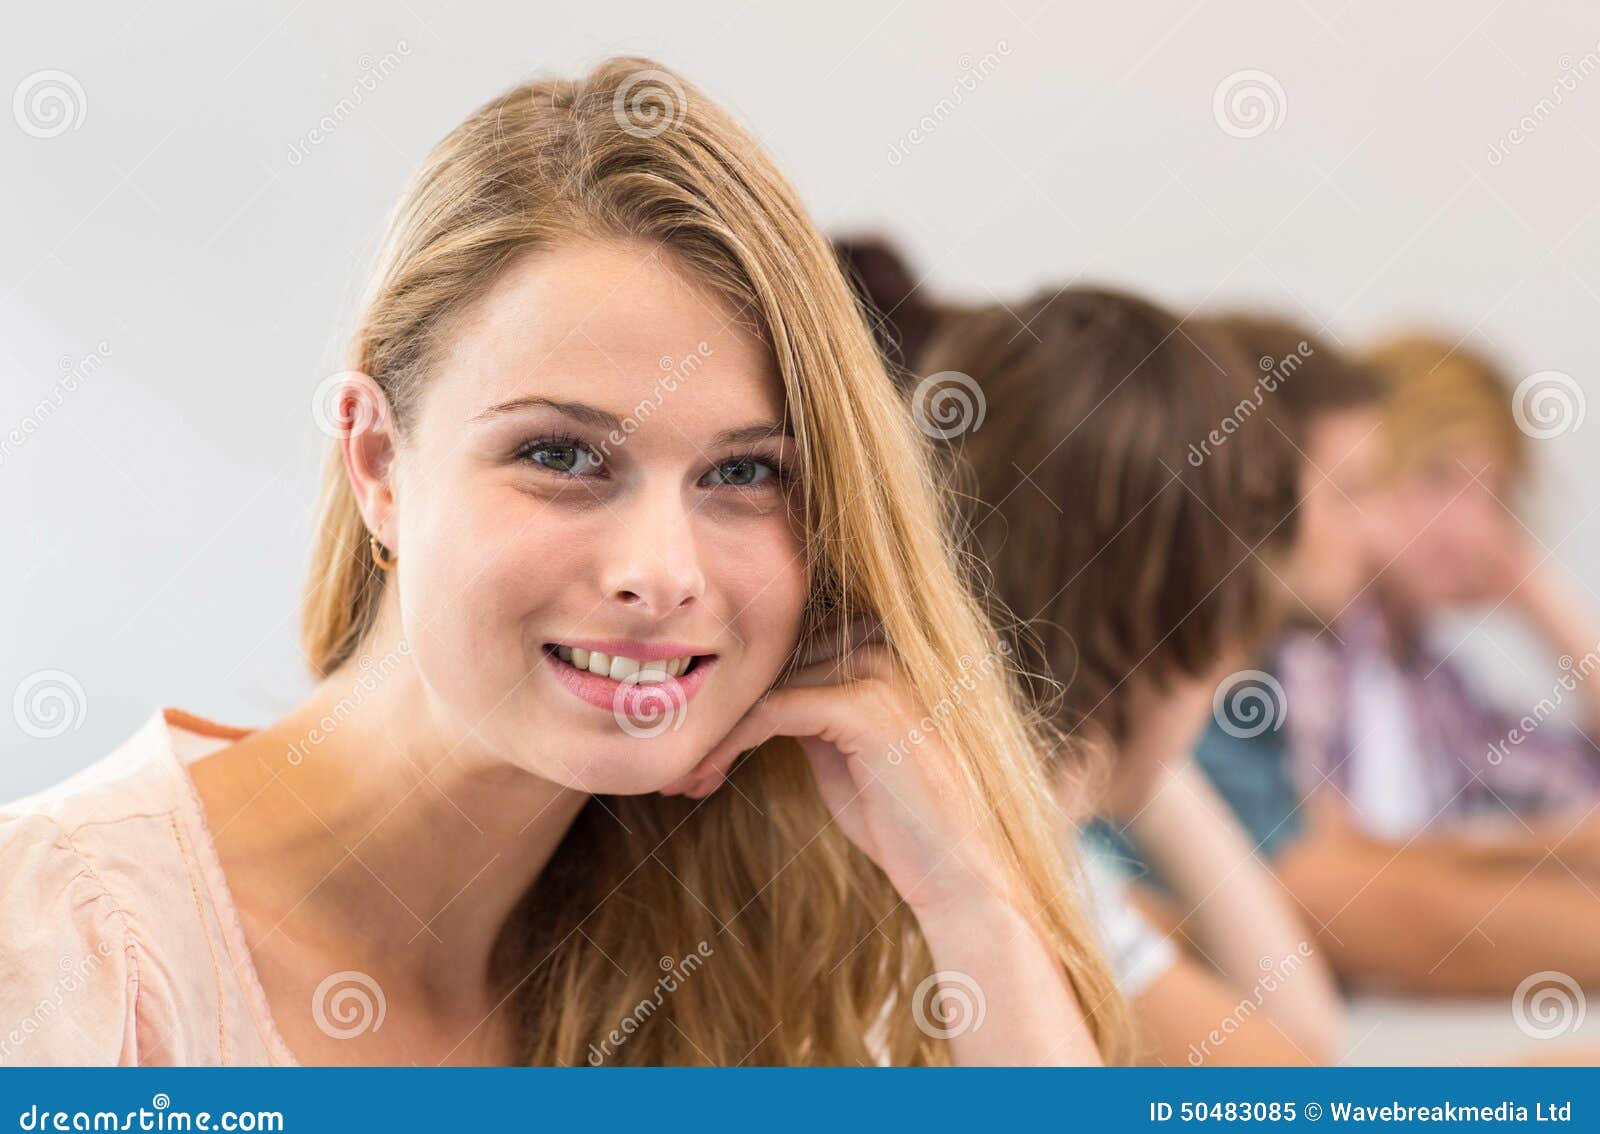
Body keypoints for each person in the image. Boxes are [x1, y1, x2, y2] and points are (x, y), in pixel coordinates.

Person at [0, 59, 1127, 1066]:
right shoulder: (64, 940)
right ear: (378, 460)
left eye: (743, 472)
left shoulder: (752, 945)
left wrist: (970, 896)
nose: (660, 573)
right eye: (559, 455)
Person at [913, 287, 1343, 1063]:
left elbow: (1293, 1046)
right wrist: (1142, 714)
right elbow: (1291, 1072)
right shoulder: (983, 849)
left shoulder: (1012, 828)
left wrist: (1129, 734)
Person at [1196, 319, 1600, 994]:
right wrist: (1549, 850)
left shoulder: (1429, 680)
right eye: (1438, 479)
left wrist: (1538, 595)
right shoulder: (1294, 655)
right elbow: (1331, 885)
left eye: (1494, 496)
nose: (1472, 527)